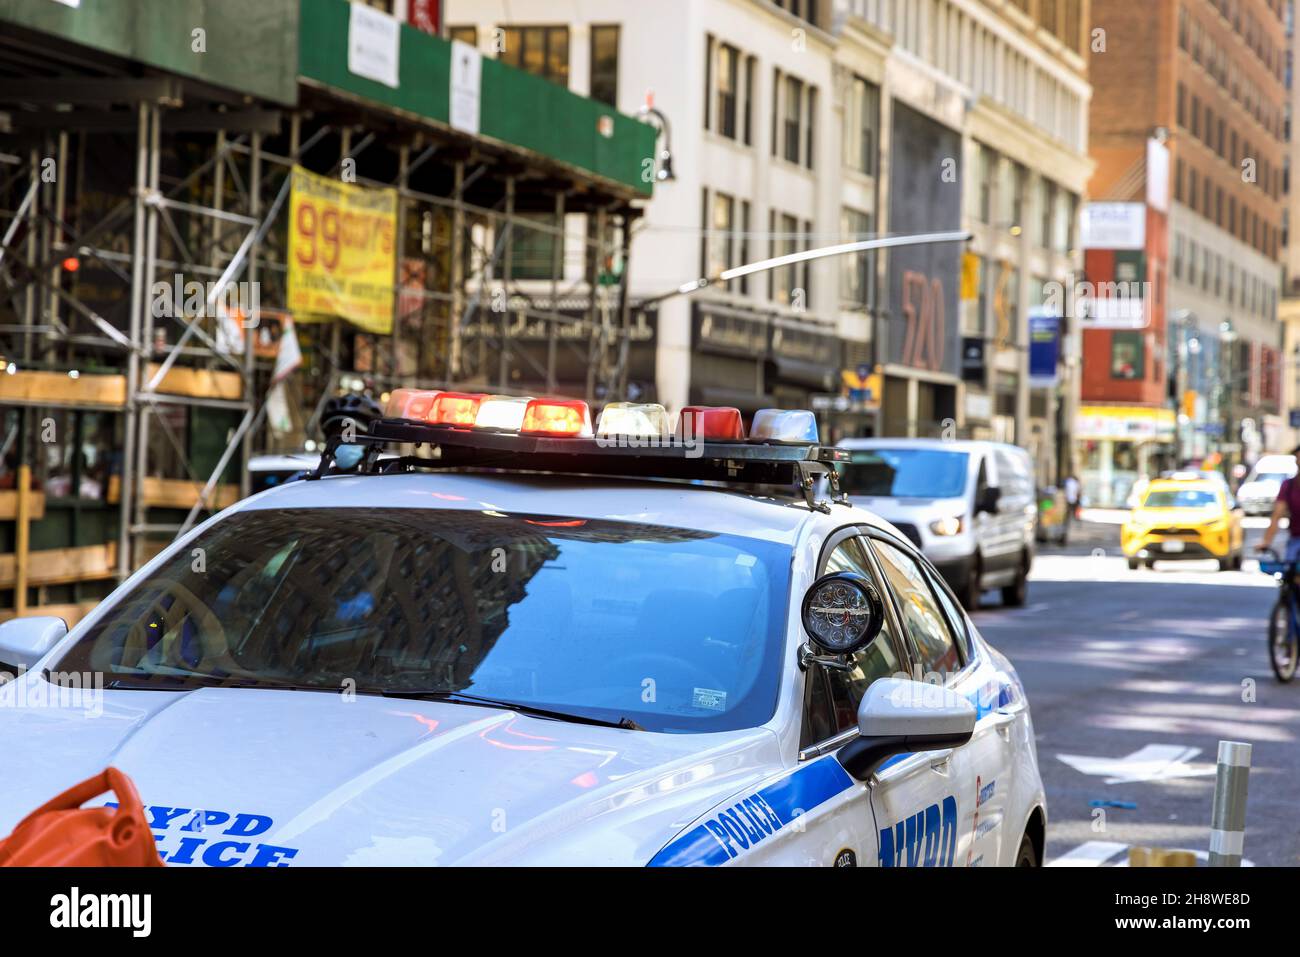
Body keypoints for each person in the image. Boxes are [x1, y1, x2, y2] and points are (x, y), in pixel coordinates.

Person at [1257, 446, 1300, 561]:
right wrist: (1266, 542)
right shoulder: (1289, 486)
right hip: (1296, 540)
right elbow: (1276, 516)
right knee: (1291, 569)